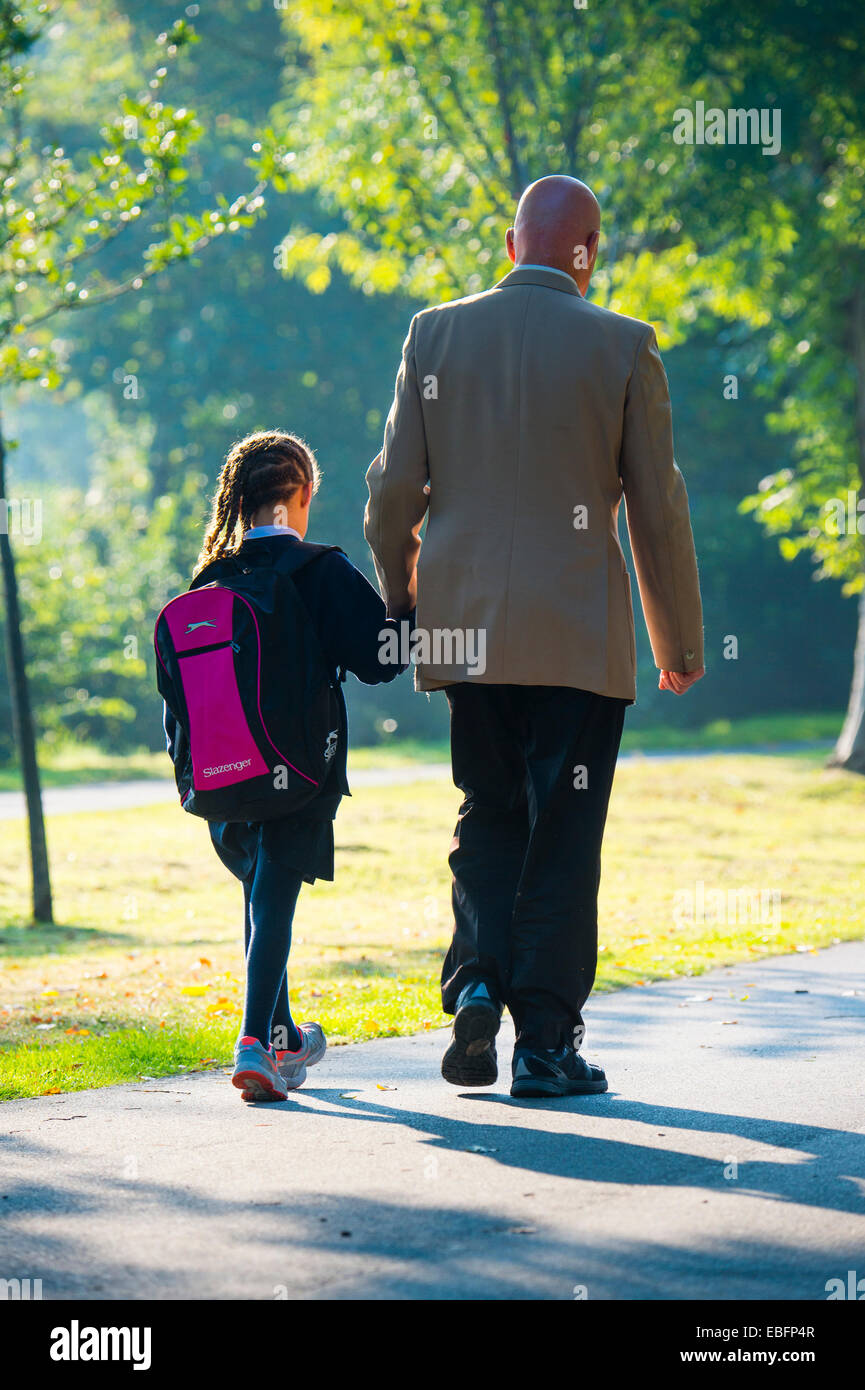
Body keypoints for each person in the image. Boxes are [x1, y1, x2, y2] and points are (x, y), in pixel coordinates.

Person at [365, 175, 705, 1099]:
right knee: (563, 830)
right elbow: (656, 509)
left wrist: (401, 599)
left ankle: (475, 977)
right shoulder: (624, 346)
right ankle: (546, 1046)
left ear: (510, 246)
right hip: (576, 644)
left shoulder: (433, 333)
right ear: (590, 254)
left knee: (487, 811)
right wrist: (674, 642)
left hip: (464, 635)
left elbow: (394, 490)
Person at [164, 430, 406, 1102]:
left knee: (260, 897)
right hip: (298, 774)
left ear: (240, 499)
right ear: (301, 493)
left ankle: (283, 1038)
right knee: (272, 900)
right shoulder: (319, 570)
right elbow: (383, 660)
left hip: (218, 779)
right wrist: (410, 600)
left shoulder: (211, 579)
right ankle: (252, 1041)